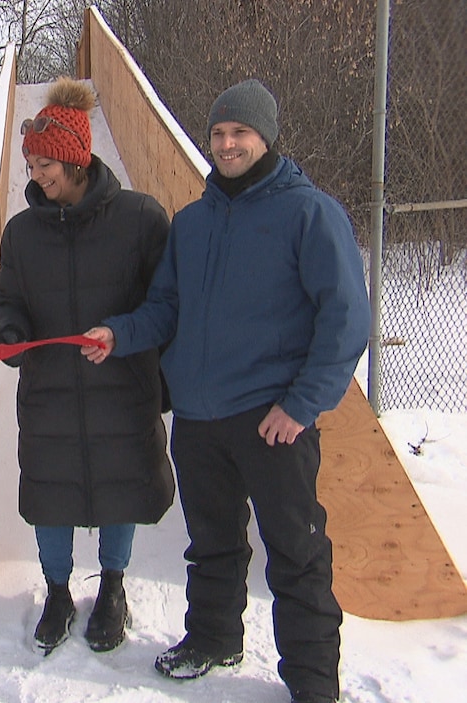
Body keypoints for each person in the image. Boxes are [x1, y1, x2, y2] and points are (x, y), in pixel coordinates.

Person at [82, 79, 370, 703]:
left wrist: (300, 404)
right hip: (199, 417)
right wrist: (118, 333)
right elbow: (164, 308)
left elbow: (346, 319)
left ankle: (314, 682)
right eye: (217, 133)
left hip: (272, 419)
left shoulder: (309, 213)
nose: (227, 143)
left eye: (239, 132)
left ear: (265, 136)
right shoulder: (193, 222)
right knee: (212, 541)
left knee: (296, 553)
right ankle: (213, 637)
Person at [0, 77, 175, 655]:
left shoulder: (142, 219)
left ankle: (114, 586)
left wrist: (120, 334)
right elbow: (9, 299)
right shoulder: (21, 233)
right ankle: (58, 591)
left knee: (121, 489)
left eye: (47, 163)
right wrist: (11, 333)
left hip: (120, 383)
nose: (37, 175)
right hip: (51, 388)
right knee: (52, 492)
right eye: (33, 164)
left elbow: (165, 305)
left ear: (77, 159)